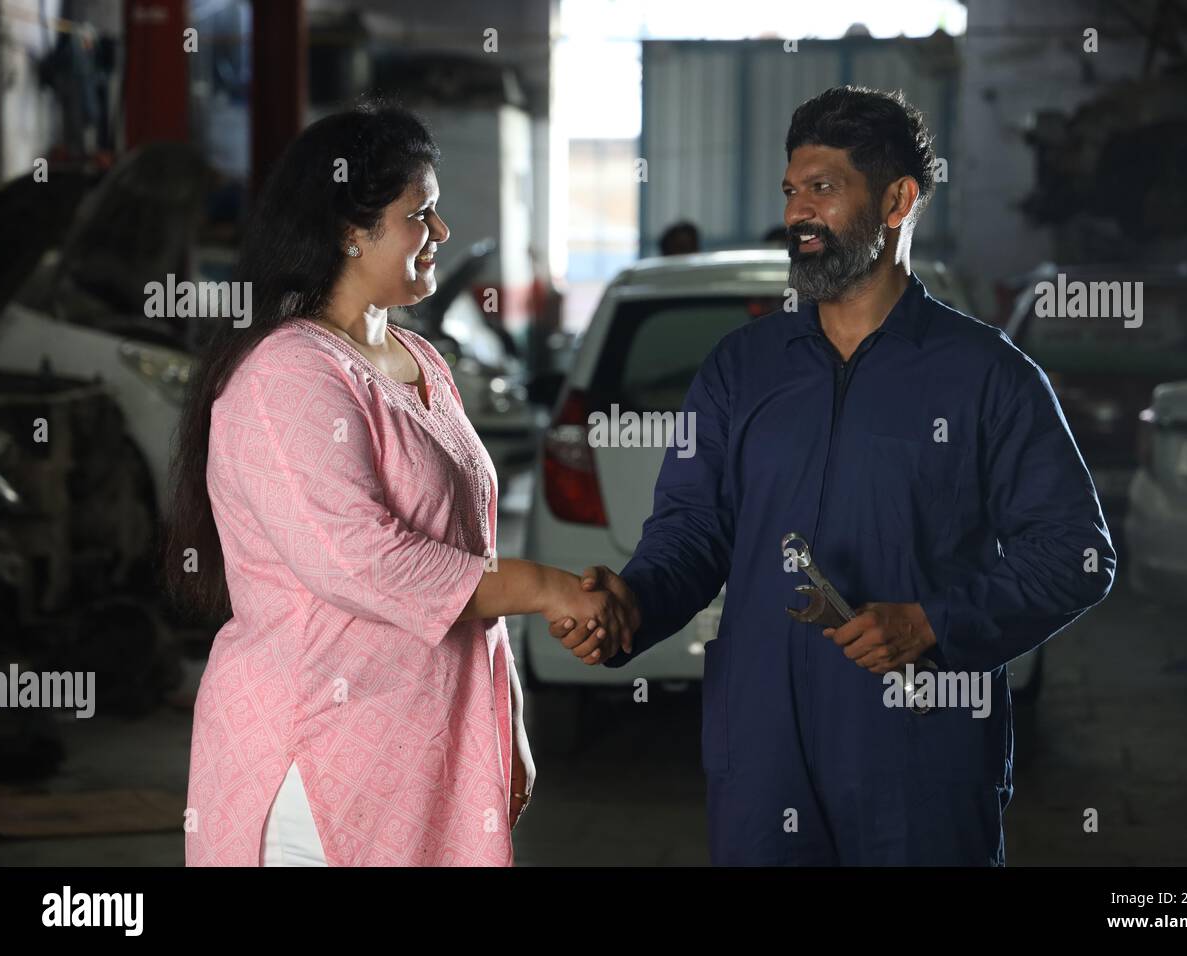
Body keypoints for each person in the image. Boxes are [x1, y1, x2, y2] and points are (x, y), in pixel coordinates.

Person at [552, 86, 1115, 865]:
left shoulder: (989, 377)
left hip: (922, 749)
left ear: (896, 199)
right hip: (762, 748)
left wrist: (932, 623)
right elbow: (692, 530)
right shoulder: (740, 369)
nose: (798, 213)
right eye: (790, 191)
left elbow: (1075, 556)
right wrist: (633, 602)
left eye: (823, 188)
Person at [164, 99, 635, 867]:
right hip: (317, 764)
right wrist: (547, 587)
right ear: (352, 229)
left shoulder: (425, 363)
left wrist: (504, 718)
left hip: (423, 755)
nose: (441, 235)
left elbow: (465, 547)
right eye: (422, 213)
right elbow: (362, 562)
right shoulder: (285, 374)